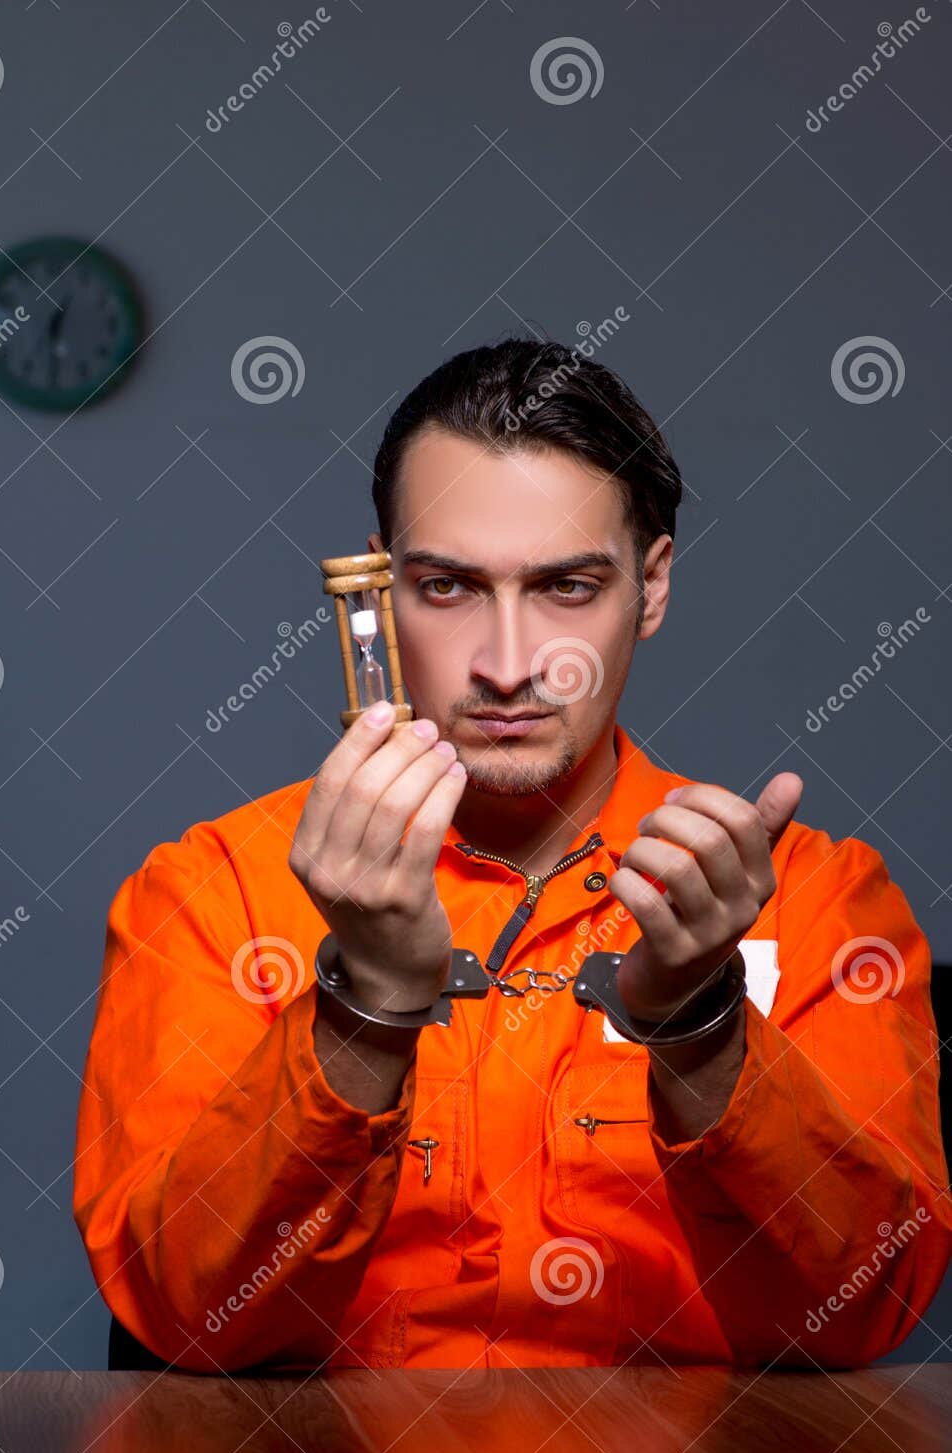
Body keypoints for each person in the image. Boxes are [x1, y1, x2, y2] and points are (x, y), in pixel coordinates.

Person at [73, 338, 951, 1373]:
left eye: (566, 586)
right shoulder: (213, 891)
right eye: (448, 587)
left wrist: (698, 1024)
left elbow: (860, 1314)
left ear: (651, 586)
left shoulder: (813, 897)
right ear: (382, 592)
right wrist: (366, 1008)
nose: (505, 665)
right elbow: (186, 1317)